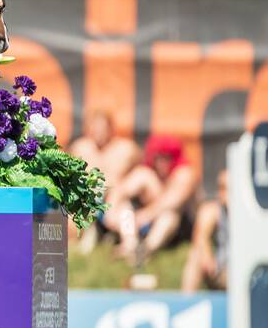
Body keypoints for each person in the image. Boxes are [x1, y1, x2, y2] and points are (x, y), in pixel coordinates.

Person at [102, 133, 200, 263]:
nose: (161, 163)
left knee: (170, 215)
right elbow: (121, 191)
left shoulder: (184, 174)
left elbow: (174, 201)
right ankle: (130, 244)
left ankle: (146, 249)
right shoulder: (146, 174)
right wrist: (111, 210)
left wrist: (146, 214)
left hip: (177, 229)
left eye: (166, 158)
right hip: (143, 222)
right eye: (158, 158)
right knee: (125, 208)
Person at [69, 109, 140, 251]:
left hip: (116, 201)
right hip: (85, 204)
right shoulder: (80, 148)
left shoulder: (126, 148)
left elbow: (138, 173)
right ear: (89, 129)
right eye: (95, 128)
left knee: (126, 212)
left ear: (111, 129)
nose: (99, 133)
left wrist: (118, 189)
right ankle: (90, 233)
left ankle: (131, 244)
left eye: (103, 129)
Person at [182, 168, 228, 292]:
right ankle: (186, 302)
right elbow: (201, 235)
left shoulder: (250, 215)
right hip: (219, 269)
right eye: (220, 187)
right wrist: (206, 255)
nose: (222, 193)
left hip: (243, 272)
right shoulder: (213, 210)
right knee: (195, 254)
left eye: (226, 188)